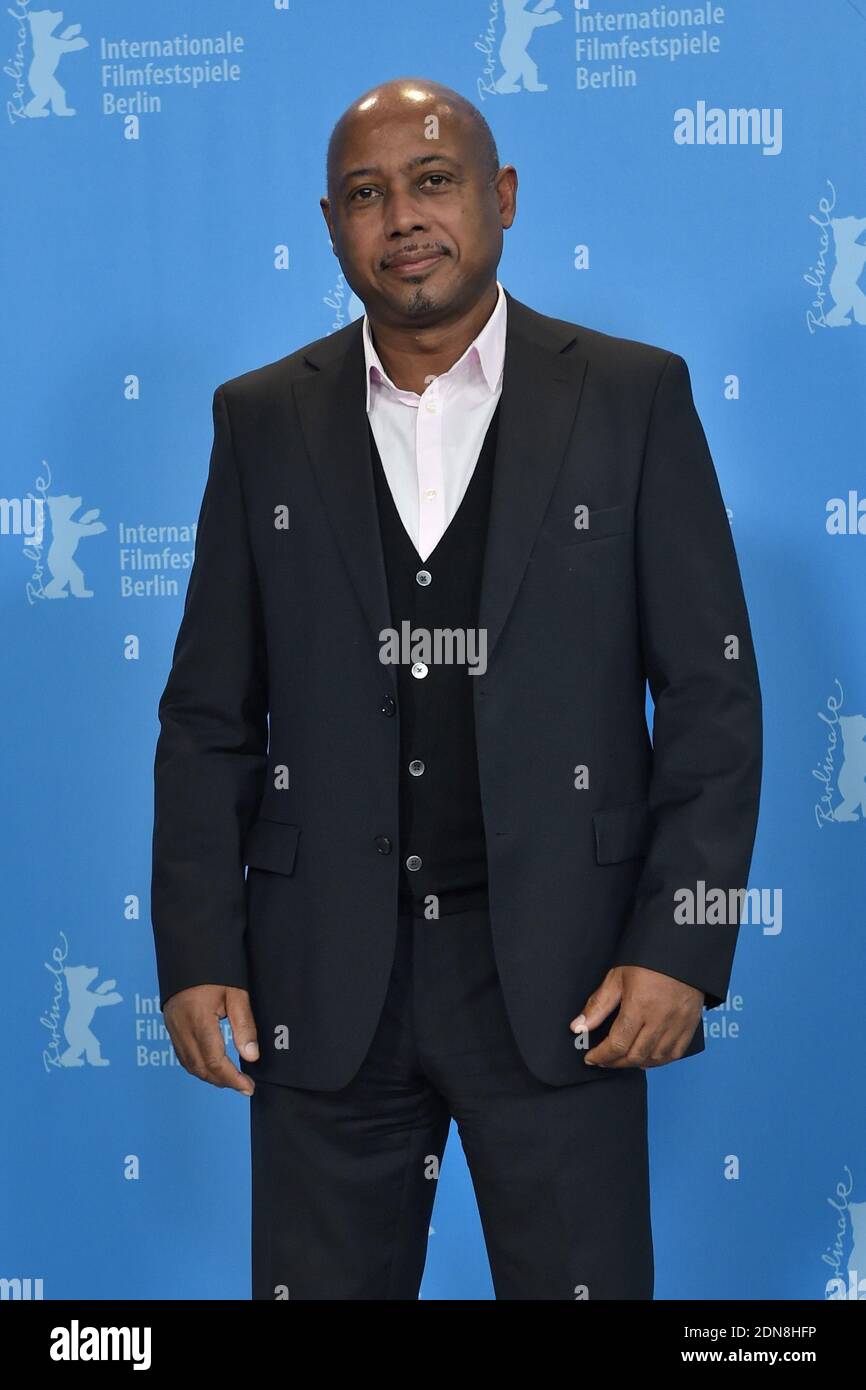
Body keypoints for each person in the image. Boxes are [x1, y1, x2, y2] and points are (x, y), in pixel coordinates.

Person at [150, 77, 763, 1301]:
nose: (403, 218)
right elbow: (211, 714)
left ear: (502, 198)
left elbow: (709, 695)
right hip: (322, 978)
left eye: (432, 182)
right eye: (367, 196)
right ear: (330, 224)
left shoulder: (631, 398)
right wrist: (195, 944)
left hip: (567, 976)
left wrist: (679, 946)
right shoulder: (260, 418)